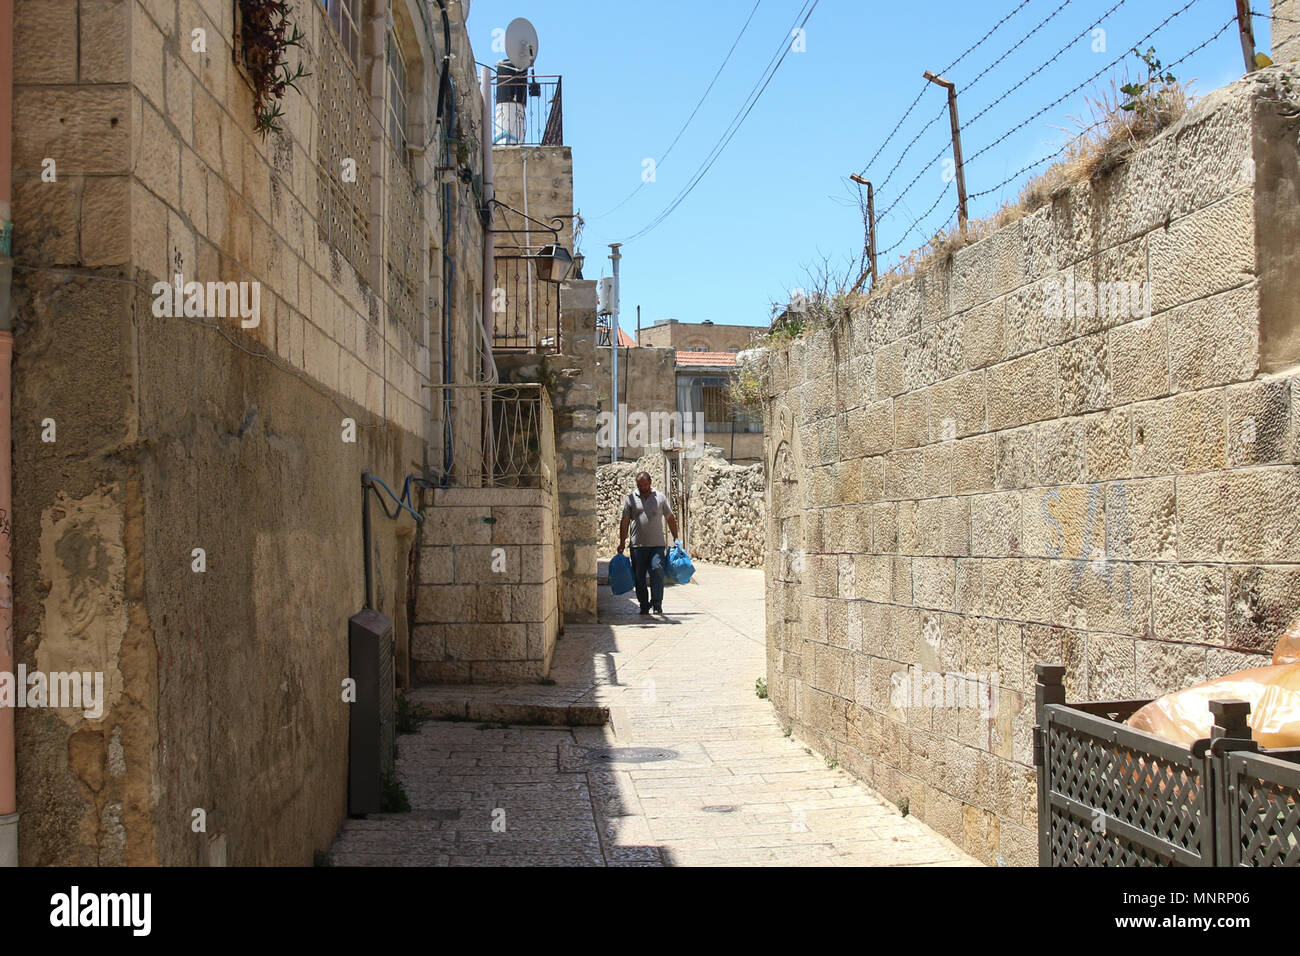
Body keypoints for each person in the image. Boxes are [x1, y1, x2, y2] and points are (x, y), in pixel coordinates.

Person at [617, 472, 680, 616]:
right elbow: (625, 520)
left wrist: (675, 537)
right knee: (639, 577)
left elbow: (670, 517)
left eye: (644, 485)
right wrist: (622, 542)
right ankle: (644, 605)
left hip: (657, 545)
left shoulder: (660, 497)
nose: (642, 488)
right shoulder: (631, 499)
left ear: (650, 482)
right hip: (637, 546)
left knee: (657, 570)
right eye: (639, 485)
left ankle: (657, 603)